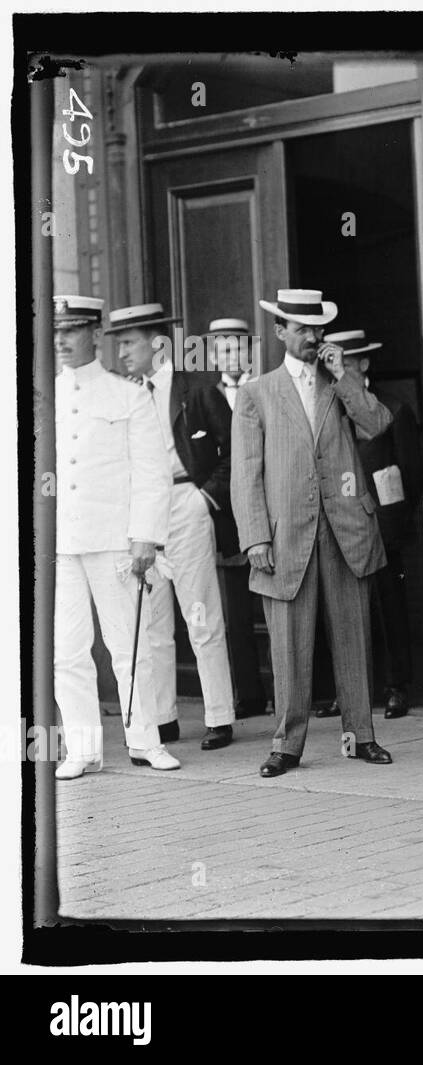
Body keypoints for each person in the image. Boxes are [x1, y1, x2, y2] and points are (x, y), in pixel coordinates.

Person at [231, 288, 394, 777]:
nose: (312, 337)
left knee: (352, 635)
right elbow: (246, 471)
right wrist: (255, 536)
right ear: (280, 331)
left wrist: (345, 376)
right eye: (301, 329)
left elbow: (377, 424)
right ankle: (287, 744)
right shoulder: (256, 392)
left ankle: (361, 735)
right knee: (288, 641)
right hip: (286, 533)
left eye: (316, 329)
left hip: (345, 527)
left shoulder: (338, 382)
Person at [52, 295, 179, 778]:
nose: (62, 339)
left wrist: (145, 536)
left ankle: (146, 740)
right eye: (57, 330)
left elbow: (152, 472)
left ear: (95, 332)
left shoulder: (128, 395)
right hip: (60, 543)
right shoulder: (45, 396)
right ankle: (82, 748)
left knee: (129, 644)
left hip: (113, 541)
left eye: (73, 330)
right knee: (67, 649)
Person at [109, 303, 239, 751]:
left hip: (186, 502)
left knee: (200, 613)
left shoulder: (196, 389)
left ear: (156, 342)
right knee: (154, 620)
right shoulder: (125, 395)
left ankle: (219, 716)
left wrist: (205, 499)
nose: (122, 352)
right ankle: (163, 718)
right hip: (145, 514)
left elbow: (235, 449)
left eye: (129, 342)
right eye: (119, 344)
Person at [321, 328, 423, 719]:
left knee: (388, 607)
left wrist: (394, 522)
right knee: (341, 613)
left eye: (344, 362)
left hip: (381, 525)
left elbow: (409, 474)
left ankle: (397, 687)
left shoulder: (393, 407)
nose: (337, 371)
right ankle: (347, 691)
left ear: (363, 363)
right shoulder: (329, 409)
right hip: (340, 523)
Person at [208, 317, 271, 720]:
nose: (232, 356)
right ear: (213, 356)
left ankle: (291, 696)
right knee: (235, 615)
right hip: (226, 522)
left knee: (276, 605)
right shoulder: (201, 399)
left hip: (266, 514)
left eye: (238, 348)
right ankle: (247, 695)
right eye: (224, 349)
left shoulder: (266, 391)